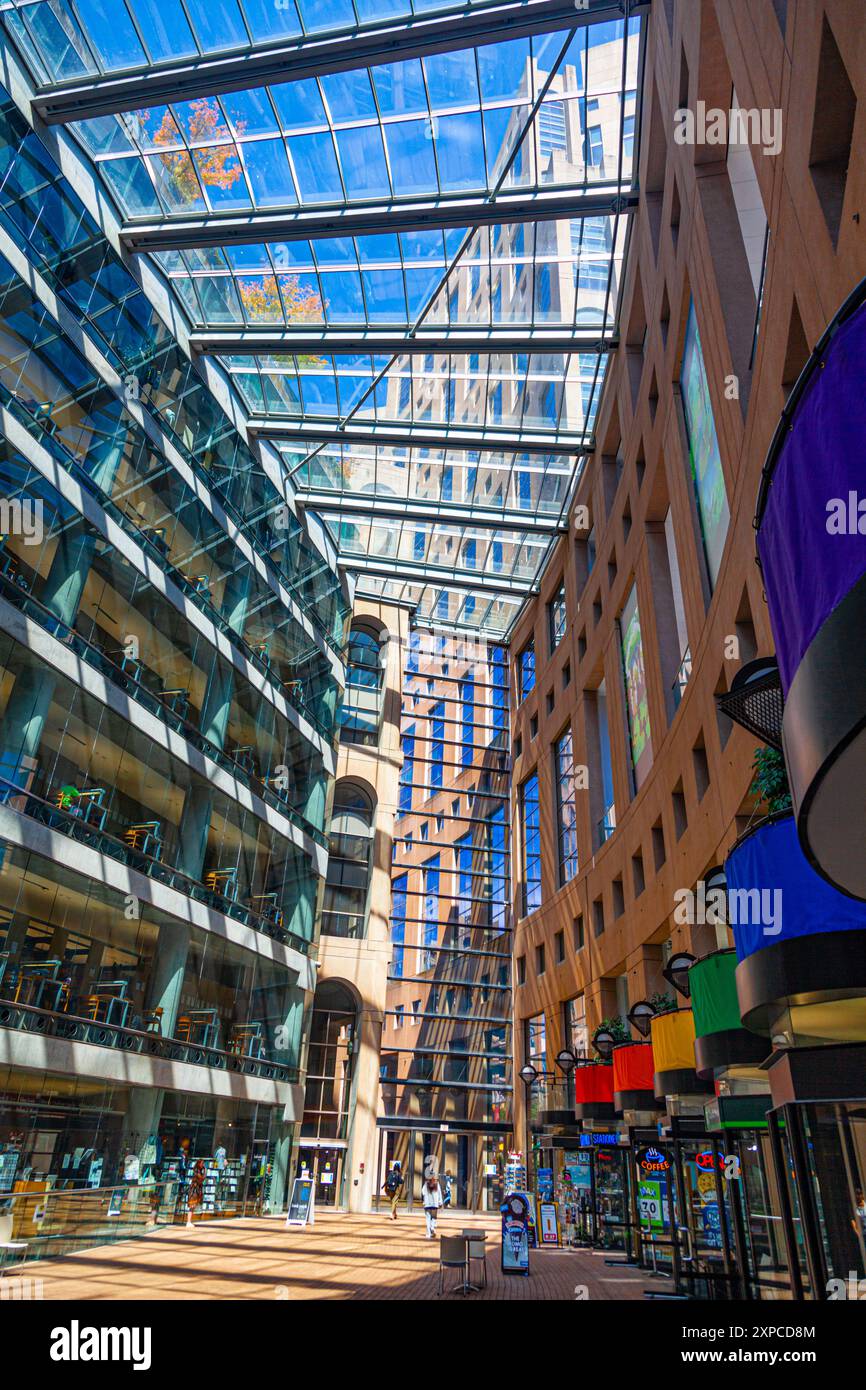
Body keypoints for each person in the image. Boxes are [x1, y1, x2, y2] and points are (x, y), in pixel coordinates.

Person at [422, 1173, 444, 1239]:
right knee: (434, 1217)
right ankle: (432, 1227)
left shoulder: (426, 1184)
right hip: (434, 1204)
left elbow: (423, 1192)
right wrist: (440, 1202)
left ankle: (428, 1233)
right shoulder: (437, 1184)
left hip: (427, 1204)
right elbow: (439, 1193)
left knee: (428, 1218)